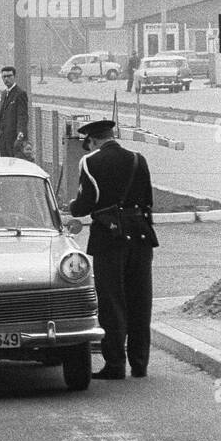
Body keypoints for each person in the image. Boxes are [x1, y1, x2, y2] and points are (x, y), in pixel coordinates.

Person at [68, 119, 158, 379]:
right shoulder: (138, 159)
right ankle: (140, 363)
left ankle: (115, 364)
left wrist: (71, 208)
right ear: (112, 136)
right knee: (140, 300)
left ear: (93, 141)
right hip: (141, 236)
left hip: (109, 237)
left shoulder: (90, 162)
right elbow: (148, 200)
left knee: (112, 301)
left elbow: (87, 203)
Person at [0, 65, 30, 157]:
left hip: (14, 139)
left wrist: (21, 132)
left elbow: (22, 115)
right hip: (3, 138)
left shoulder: (20, 94)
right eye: (4, 77)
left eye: (9, 76)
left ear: (14, 77)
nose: (6, 79)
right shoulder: (4, 94)